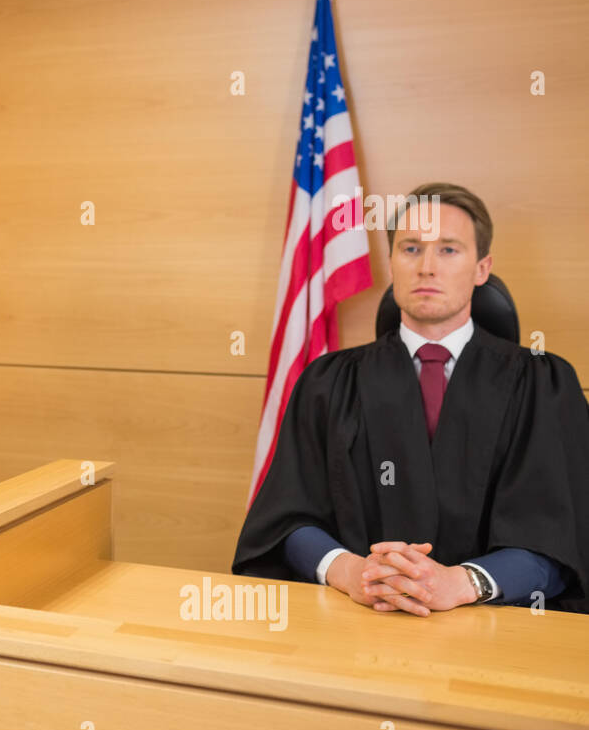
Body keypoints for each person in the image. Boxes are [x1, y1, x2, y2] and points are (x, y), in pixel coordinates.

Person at [233, 182, 589, 615]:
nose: (427, 267)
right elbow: (285, 521)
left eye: (448, 250)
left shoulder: (543, 384)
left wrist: (461, 583)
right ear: (392, 263)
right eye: (411, 249)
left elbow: (564, 538)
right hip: (355, 622)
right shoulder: (327, 382)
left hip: (494, 631)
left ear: (482, 268)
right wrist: (352, 571)